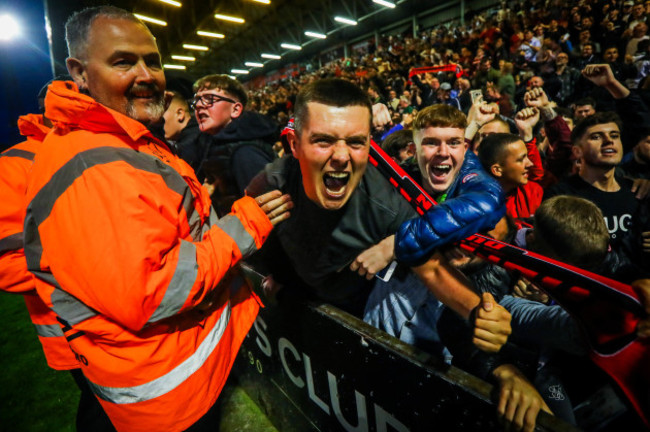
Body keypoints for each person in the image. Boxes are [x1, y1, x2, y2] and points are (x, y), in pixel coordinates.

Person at [22, 6, 291, 431]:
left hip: (168, 375)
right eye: (123, 61)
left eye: (153, 61)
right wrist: (245, 224)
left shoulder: (120, 141)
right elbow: (156, 288)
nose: (146, 74)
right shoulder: (93, 164)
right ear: (79, 72)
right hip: (164, 399)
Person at [247, 78, 511, 353]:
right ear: (294, 144)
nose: (341, 156)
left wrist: (477, 312)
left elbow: (432, 268)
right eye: (323, 141)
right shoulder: (268, 186)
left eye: (356, 142)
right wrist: (272, 270)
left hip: (352, 315)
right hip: (298, 302)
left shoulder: (386, 201)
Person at [177, 74, 278, 199]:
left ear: (235, 110)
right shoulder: (206, 146)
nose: (198, 105)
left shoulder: (245, 153)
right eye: (197, 99)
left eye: (209, 98)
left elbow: (267, 213)